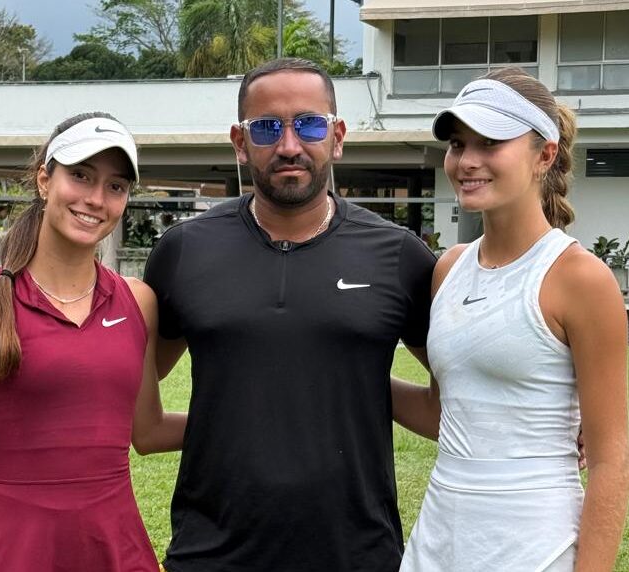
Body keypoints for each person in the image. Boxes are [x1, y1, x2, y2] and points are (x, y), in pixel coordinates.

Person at [141, 58, 438, 571]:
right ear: (239, 142)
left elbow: (455, 396)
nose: (289, 145)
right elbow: (124, 387)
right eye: (266, 128)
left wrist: (558, 419)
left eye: (309, 123)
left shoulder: (398, 256)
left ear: (338, 136)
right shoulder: (184, 251)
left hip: (355, 554)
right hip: (211, 554)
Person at [0, 112, 185, 571]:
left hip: (117, 549)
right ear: (45, 179)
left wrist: (243, 422)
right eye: (80, 175)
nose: (95, 199)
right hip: (15, 549)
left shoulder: (137, 301)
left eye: (116, 186)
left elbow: (146, 431)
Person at [399, 68, 629, 571]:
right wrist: (342, 367)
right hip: (439, 540)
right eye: (459, 144)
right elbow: (446, 416)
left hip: (534, 544)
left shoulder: (580, 278)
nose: (468, 161)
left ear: (544, 154)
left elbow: (611, 463)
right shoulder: (449, 268)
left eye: (490, 142)